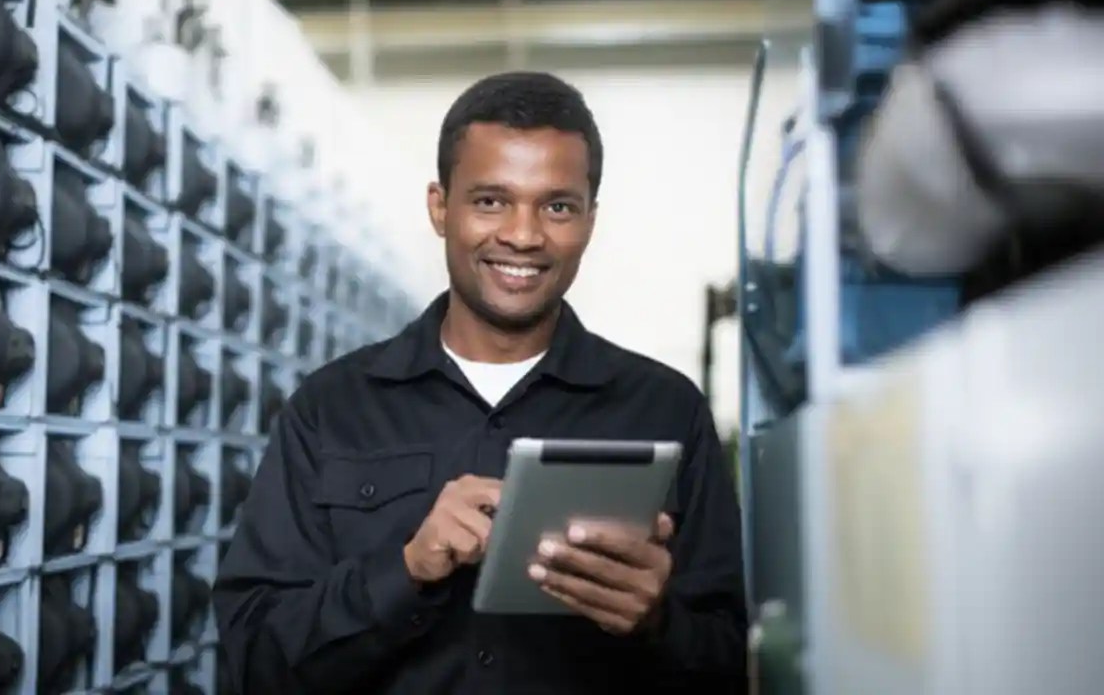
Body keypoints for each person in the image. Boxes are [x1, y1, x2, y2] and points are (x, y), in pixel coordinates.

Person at [214, 71, 747, 694]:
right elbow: (253, 658)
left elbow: (733, 662)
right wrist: (407, 569)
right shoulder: (331, 408)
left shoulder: (664, 409)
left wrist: (658, 623)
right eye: (491, 200)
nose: (523, 235)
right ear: (441, 208)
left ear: (590, 220)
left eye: (557, 206)